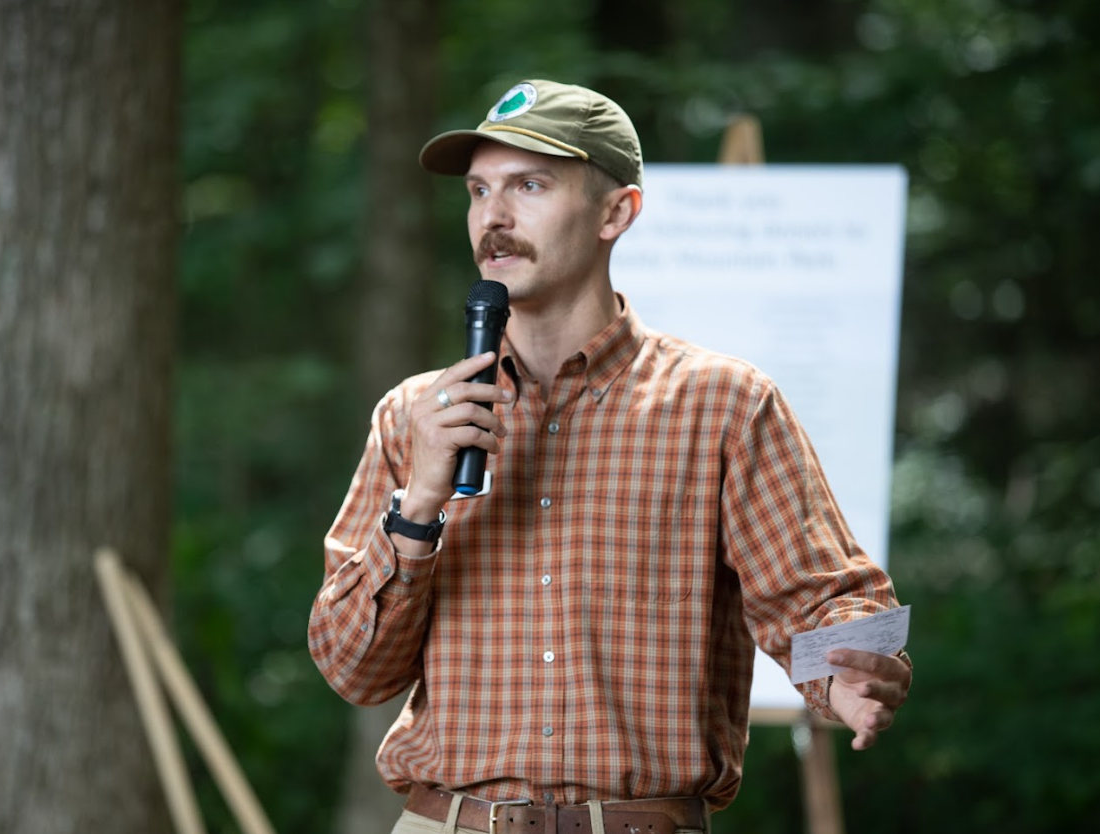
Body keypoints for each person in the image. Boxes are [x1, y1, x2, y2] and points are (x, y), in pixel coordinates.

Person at [308, 79, 911, 834]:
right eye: (477, 191)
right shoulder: (413, 417)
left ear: (616, 212)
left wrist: (847, 670)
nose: (493, 217)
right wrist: (418, 508)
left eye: (529, 186)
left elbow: (823, 601)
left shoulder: (722, 402)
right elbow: (353, 671)